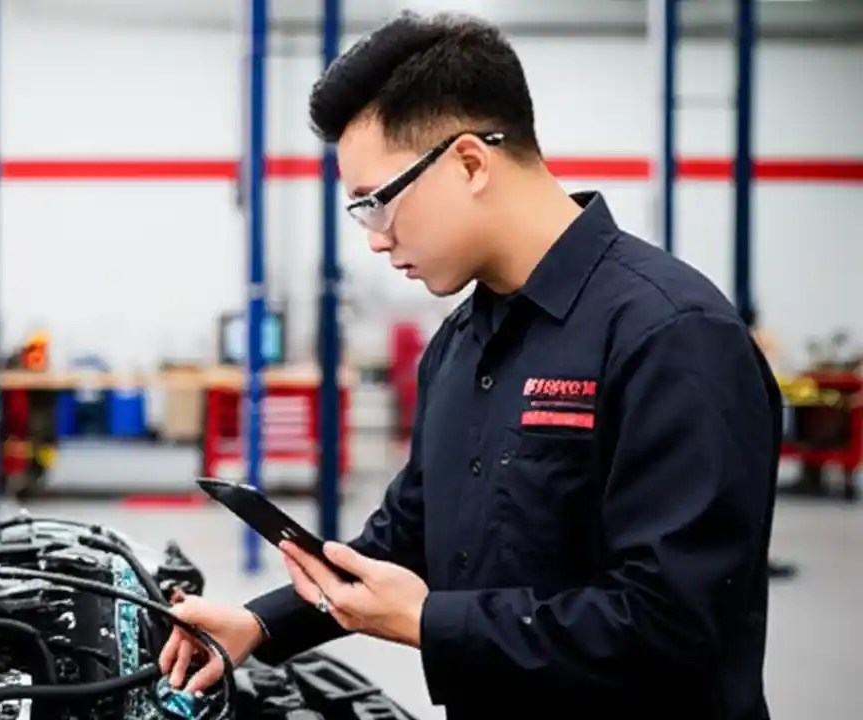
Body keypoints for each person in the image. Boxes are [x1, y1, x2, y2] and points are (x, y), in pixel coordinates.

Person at [159, 12, 782, 719]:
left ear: (469, 162)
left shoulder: (670, 334)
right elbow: (406, 537)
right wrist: (261, 624)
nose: (375, 239)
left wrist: (430, 623)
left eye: (376, 203)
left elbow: (675, 623)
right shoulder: (460, 343)